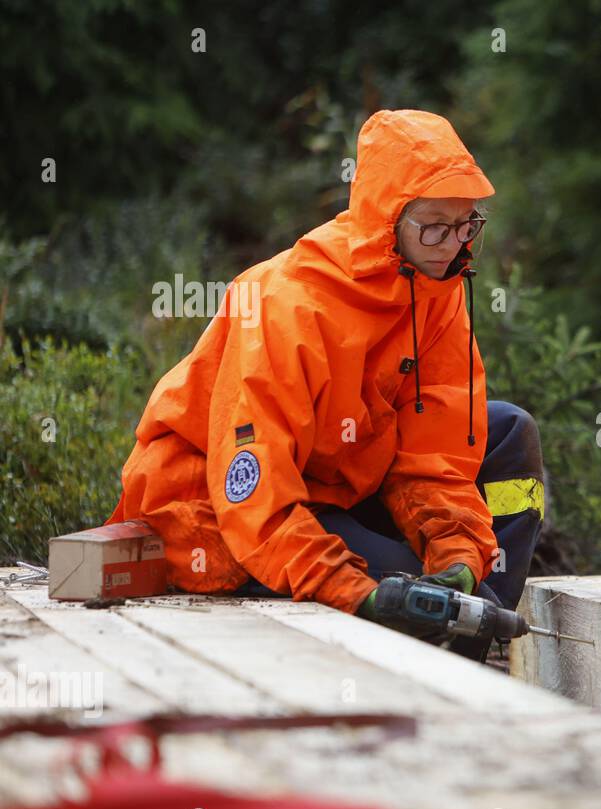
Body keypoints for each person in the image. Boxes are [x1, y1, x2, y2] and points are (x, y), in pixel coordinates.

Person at [108, 110, 544, 659]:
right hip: (223, 506)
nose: (453, 245)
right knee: (410, 594)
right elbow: (255, 494)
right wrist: (360, 595)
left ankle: (482, 628)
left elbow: (435, 457)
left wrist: (456, 558)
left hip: (338, 482)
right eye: (434, 226)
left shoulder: (439, 284)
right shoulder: (290, 302)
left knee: (506, 432)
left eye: (466, 226)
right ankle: (454, 653)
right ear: (389, 221)